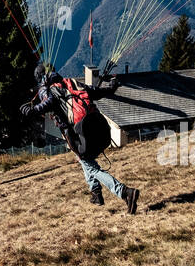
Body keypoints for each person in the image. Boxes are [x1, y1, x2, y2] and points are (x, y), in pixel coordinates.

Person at [22, 68, 138, 214]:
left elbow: (49, 102)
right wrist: (112, 86)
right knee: (85, 160)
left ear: (41, 78)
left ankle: (125, 192)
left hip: (77, 132)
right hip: (95, 124)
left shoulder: (47, 89)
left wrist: (33, 110)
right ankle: (96, 193)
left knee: (91, 167)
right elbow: (97, 91)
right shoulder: (72, 83)